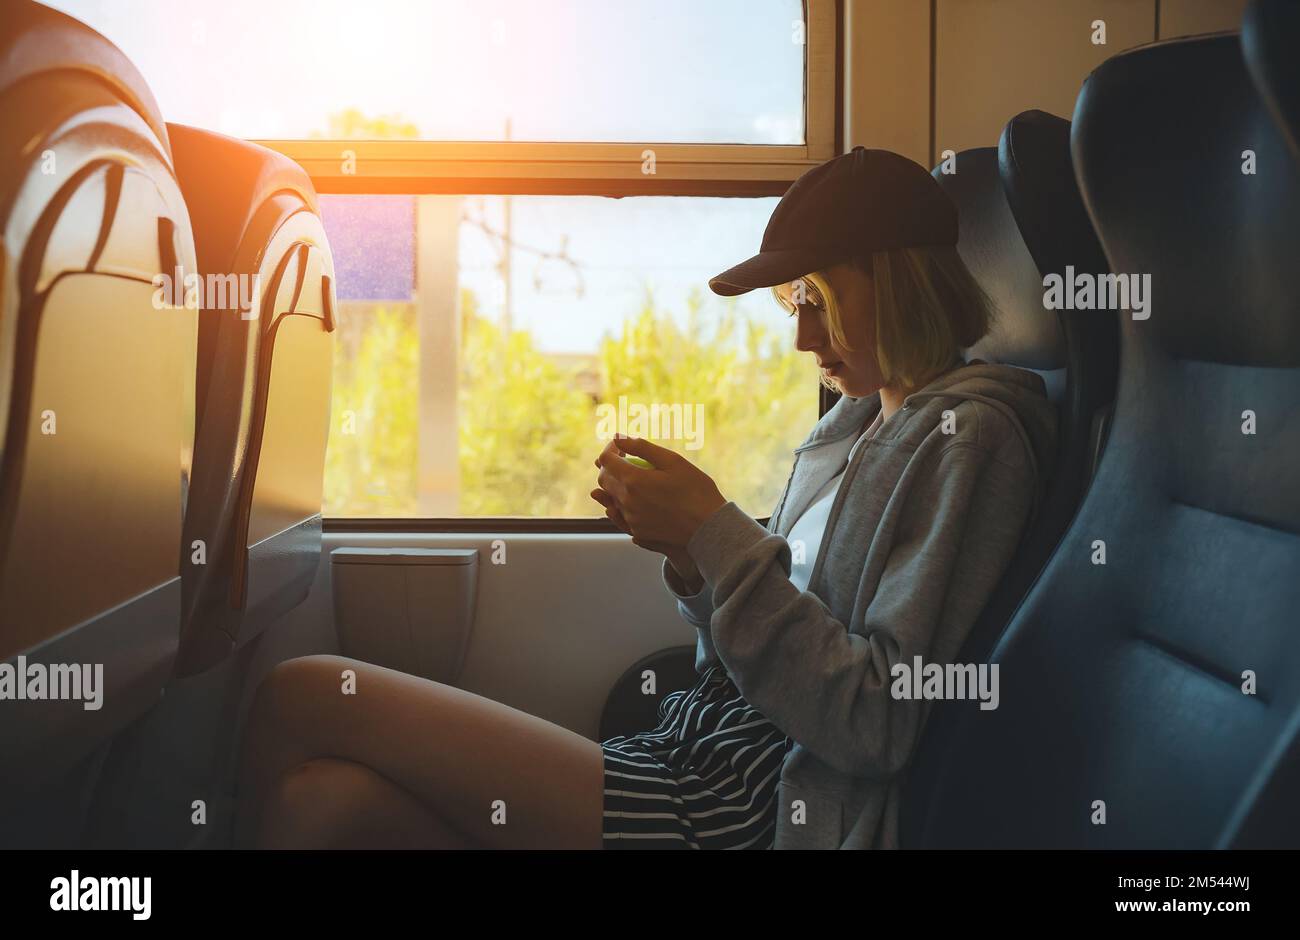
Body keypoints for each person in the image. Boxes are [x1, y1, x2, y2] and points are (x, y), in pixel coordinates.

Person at [235, 147, 1057, 850]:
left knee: (301, 692)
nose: (803, 336)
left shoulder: (970, 440)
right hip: (692, 745)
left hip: (752, 803)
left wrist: (720, 537)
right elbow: (749, 656)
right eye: (793, 304)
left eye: (818, 298)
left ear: (900, 280)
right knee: (321, 808)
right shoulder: (851, 429)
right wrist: (693, 561)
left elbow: (875, 721)